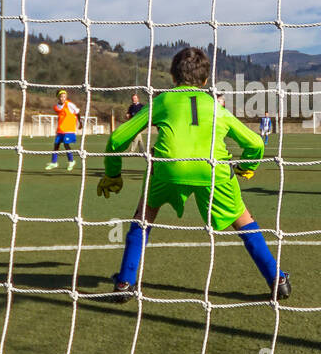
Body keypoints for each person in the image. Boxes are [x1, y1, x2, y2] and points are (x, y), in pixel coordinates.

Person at [96, 46, 290, 302]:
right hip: (212, 169)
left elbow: (117, 139)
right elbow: (255, 143)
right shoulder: (214, 107)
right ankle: (277, 280)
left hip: (169, 168)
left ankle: (124, 282)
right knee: (244, 221)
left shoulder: (162, 100)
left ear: (173, 78)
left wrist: (113, 174)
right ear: (206, 81)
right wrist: (246, 167)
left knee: (143, 218)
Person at [46, 89, 81, 170]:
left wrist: (80, 123)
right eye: (61, 96)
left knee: (66, 144)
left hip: (69, 129)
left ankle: (71, 161)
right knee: (56, 145)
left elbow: (77, 112)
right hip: (60, 129)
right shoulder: (56, 107)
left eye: (64, 96)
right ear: (58, 97)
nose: (63, 98)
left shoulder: (69, 105)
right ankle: (54, 163)